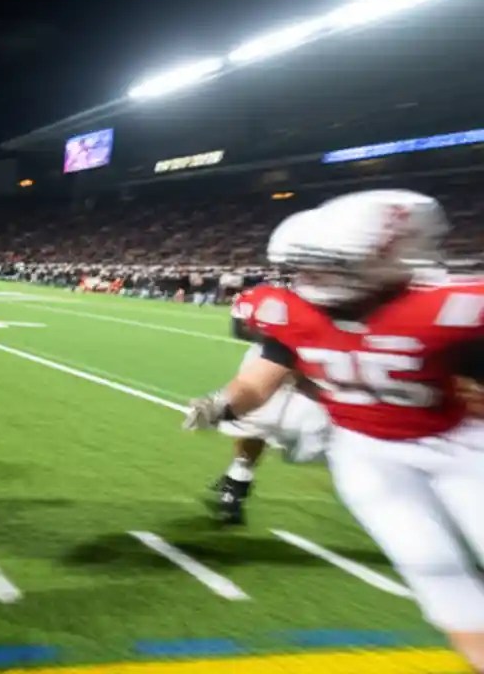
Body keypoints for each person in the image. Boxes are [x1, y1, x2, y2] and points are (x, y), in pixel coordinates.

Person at [184, 190, 484, 672]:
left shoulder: (450, 309)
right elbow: (258, 381)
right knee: (435, 570)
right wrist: (220, 404)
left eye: (327, 266)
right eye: (302, 267)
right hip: (367, 454)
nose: (308, 280)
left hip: (457, 443)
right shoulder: (292, 311)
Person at [209, 211, 331, 525]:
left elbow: (239, 325)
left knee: (327, 432)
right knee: (256, 420)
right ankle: (235, 483)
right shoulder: (275, 293)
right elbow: (241, 325)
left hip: (315, 357)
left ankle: (235, 484)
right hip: (290, 355)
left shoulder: (274, 293)